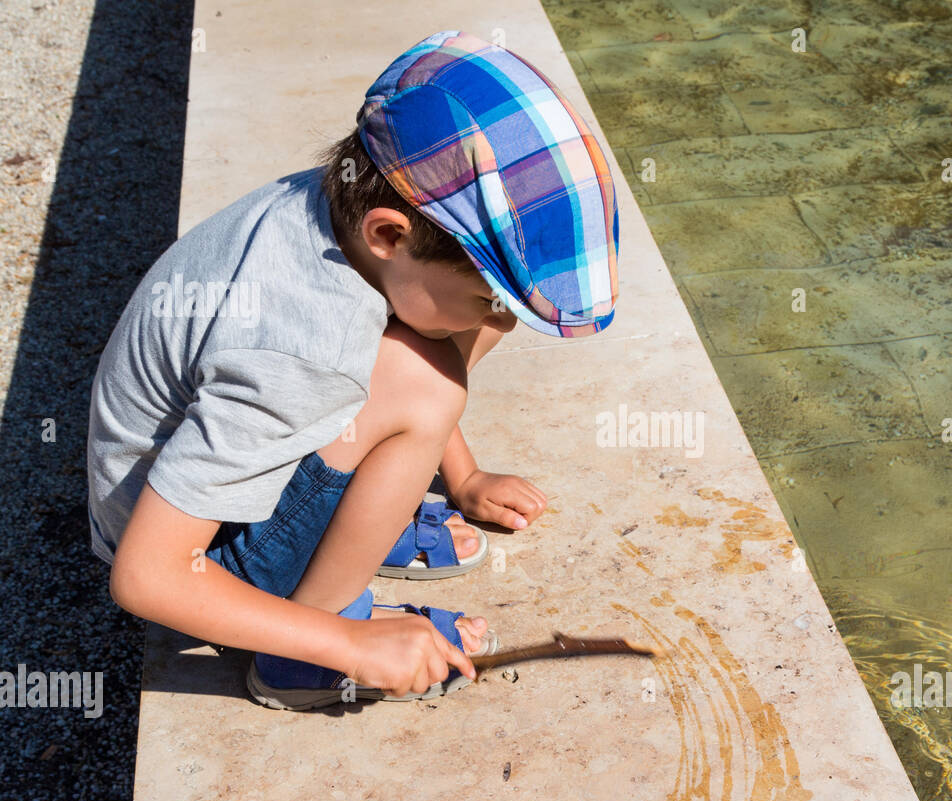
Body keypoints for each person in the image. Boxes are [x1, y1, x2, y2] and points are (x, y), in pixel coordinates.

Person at [86, 31, 619, 709]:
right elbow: (148, 577)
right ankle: (294, 660)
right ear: (389, 234)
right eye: (494, 294)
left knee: (440, 337)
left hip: (212, 489)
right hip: (198, 554)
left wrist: (464, 475)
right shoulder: (299, 346)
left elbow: (425, 321)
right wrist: (344, 644)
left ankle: (358, 519)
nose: (507, 321)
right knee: (424, 384)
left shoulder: (339, 209)